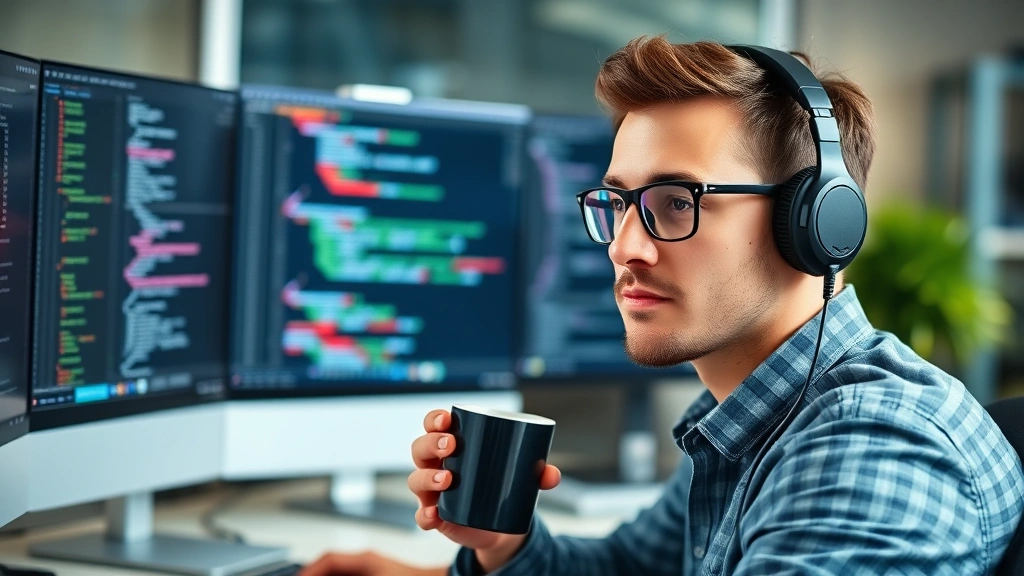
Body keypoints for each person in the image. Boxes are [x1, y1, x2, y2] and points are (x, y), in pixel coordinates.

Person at [301, 37, 1024, 576]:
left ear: (813, 223)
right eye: (618, 203)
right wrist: (501, 545)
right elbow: (625, 567)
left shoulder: (868, 454)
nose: (625, 247)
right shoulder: (749, 414)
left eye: (676, 202)